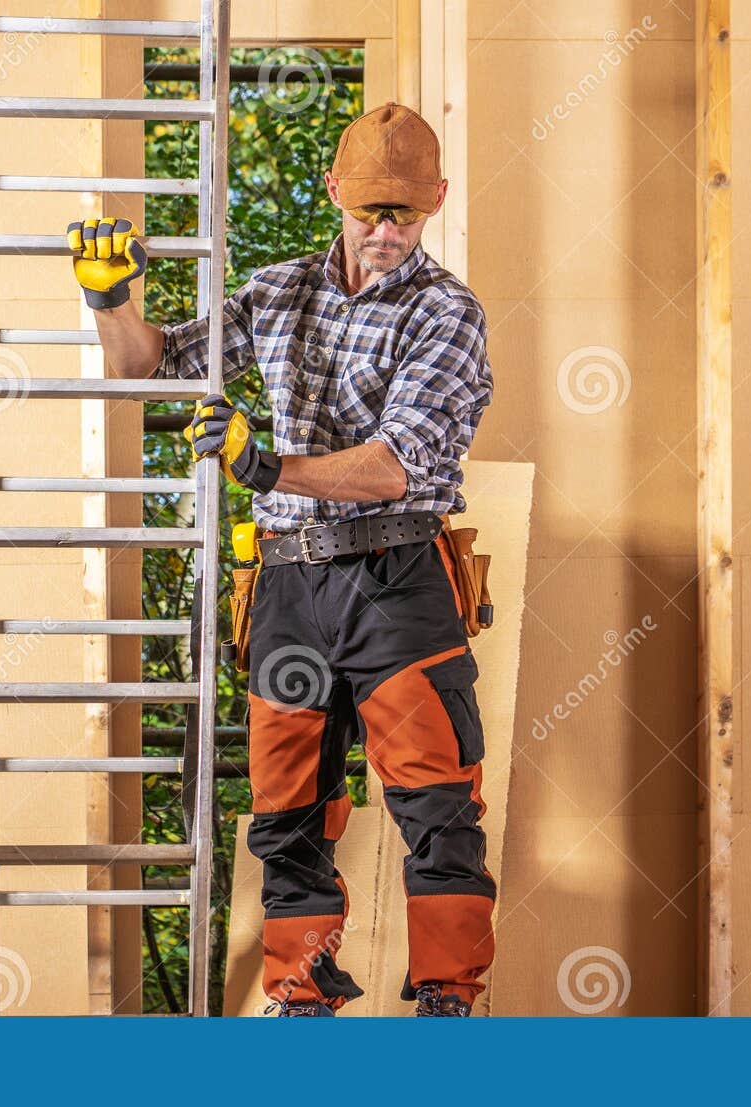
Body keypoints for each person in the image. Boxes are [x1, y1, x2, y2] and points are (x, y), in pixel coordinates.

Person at [65, 102, 496, 1017]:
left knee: (437, 801)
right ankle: (300, 996)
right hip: (291, 587)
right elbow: (147, 367)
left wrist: (264, 465)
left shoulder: (445, 312)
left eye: (406, 215)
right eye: (370, 208)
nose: (385, 231)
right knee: (286, 806)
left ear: (438, 202)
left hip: (397, 583)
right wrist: (111, 300)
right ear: (334, 191)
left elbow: (394, 466)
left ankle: (448, 1005)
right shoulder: (275, 292)